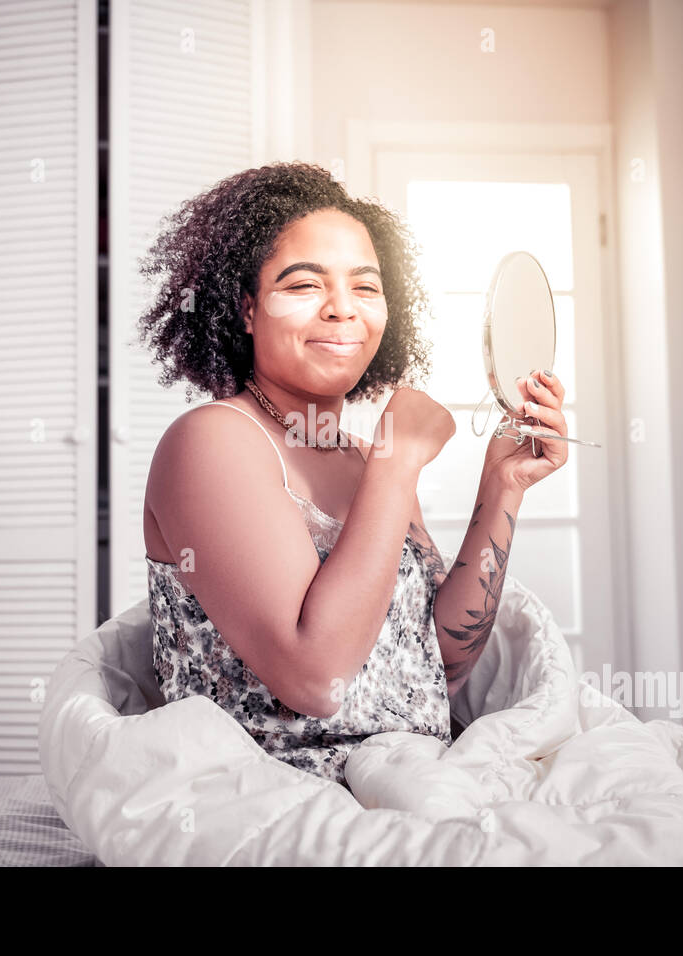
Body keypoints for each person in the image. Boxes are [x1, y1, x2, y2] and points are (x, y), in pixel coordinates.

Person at [138, 161, 569, 789]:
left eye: (366, 288)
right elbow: (315, 679)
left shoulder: (368, 460)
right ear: (246, 308)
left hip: (418, 777)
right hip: (282, 802)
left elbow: (439, 662)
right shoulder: (211, 442)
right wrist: (399, 461)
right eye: (304, 284)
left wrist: (502, 485)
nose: (342, 310)